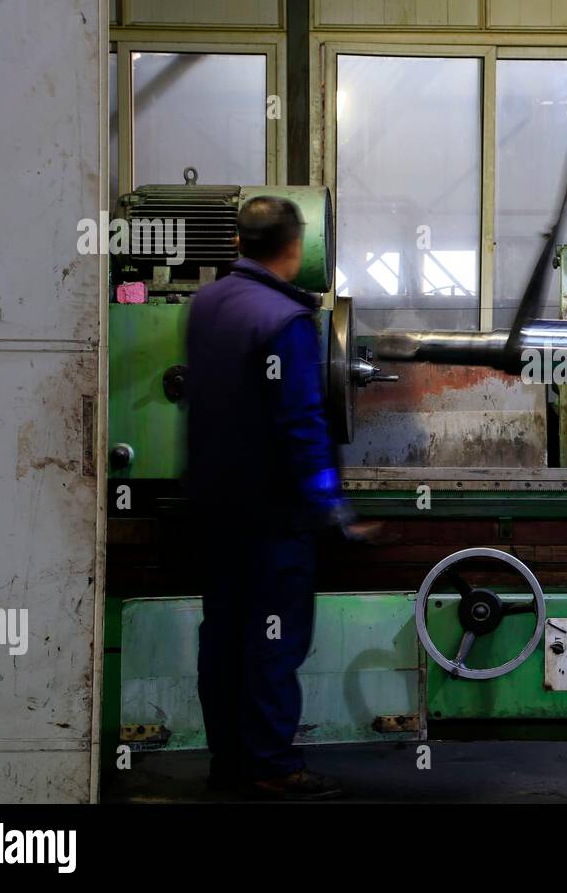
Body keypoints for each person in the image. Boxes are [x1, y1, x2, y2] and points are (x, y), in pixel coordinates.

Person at [185, 196, 378, 800]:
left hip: (213, 512)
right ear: (295, 249)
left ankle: (228, 761)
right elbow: (301, 426)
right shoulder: (284, 320)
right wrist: (333, 508)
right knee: (271, 638)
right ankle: (269, 764)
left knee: (222, 638)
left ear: (238, 243)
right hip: (272, 518)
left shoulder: (204, 306)